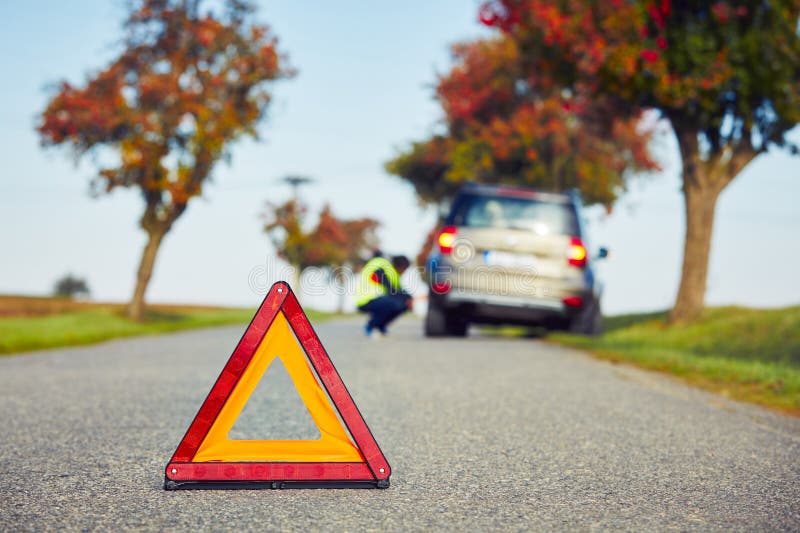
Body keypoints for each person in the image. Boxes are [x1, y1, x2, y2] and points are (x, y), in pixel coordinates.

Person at [355, 254, 412, 338]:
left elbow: (399, 291)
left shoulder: (394, 274)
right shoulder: (382, 265)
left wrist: (409, 299)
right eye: (404, 270)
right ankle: (371, 327)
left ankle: (380, 327)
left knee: (403, 304)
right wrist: (406, 298)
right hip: (366, 300)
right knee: (394, 304)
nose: (404, 272)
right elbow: (390, 289)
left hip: (379, 299)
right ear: (400, 267)